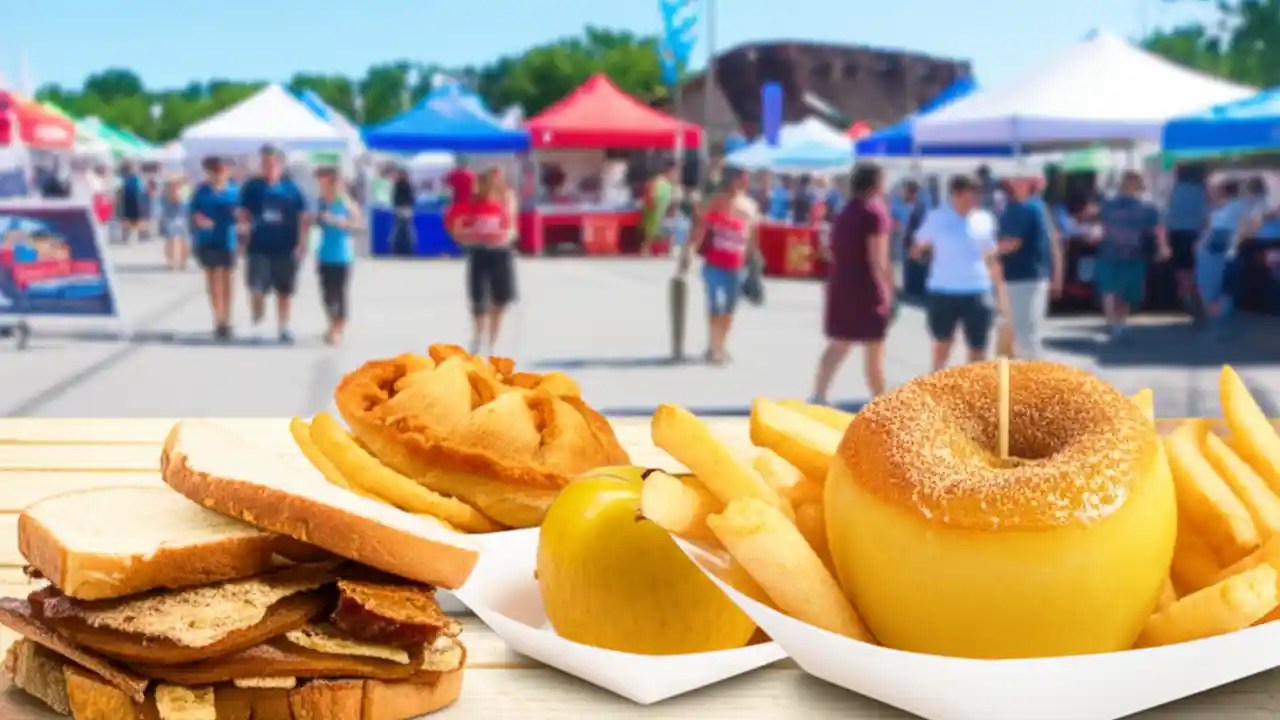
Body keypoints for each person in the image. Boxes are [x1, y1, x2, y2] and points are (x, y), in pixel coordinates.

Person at [811, 164, 893, 403]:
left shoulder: (845, 211)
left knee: (840, 342)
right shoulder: (875, 214)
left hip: (842, 283)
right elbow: (878, 258)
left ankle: (819, 393)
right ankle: (880, 399)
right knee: (875, 346)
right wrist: (888, 288)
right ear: (876, 184)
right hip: (866, 287)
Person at [912, 175, 1012, 371]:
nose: (975, 200)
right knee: (943, 344)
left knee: (978, 346)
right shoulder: (936, 217)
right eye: (970, 196)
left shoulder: (984, 219)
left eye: (977, 196)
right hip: (943, 290)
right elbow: (916, 249)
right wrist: (928, 254)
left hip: (977, 290)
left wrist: (1000, 291)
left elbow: (991, 257)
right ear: (955, 195)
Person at [680, 166, 759, 366]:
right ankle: (715, 348)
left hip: (736, 265)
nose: (740, 184)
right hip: (714, 263)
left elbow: (752, 237)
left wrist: (753, 265)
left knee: (730, 308)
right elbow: (699, 226)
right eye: (737, 179)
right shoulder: (715, 202)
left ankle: (719, 345)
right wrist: (687, 252)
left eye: (743, 180)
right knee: (715, 305)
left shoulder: (749, 206)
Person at [237, 145, 310, 344]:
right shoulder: (253, 187)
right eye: (264, 163)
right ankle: (258, 319)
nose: (268, 167)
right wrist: (242, 235)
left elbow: (303, 216)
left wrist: (303, 243)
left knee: (284, 291)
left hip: (285, 245)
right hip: (258, 245)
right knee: (257, 288)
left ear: (280, 164)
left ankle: (283, 326)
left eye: (271, 163)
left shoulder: (292, 188)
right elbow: (243, 213)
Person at [448, 167, 518, 355]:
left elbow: (512, 228)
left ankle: (493, 341)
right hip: (479, 251)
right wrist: (469, 236)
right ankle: (478, 338)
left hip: (500, 251)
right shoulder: (473, 203)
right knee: (478, 298)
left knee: (501, 299)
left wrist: (504, 236)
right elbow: (457, 228)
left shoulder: (507, 199)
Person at [1094, 171, 1169, 341]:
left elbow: (1157, 228)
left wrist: (1163, 246)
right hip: (1118, 253)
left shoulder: (1145, 206)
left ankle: (1118, 323)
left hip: (1126, 253)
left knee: (1121, 291)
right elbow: (1102, 224)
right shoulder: (1114, 204)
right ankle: (1114, 323)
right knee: (1114, 290)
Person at [997, 177, 1062, 359]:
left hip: (1024, 278)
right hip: (1029, 276)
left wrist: (986, 253)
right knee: (1026, 331)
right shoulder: (1037, 207)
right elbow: (1054, 241)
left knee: (1025, 335)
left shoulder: (1025, 208)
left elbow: (1012, 242)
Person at [190, 157, 239, 341]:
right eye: (214, 171)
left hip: (228, 240)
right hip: (208, 240)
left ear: (228, 171)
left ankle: (227, 319)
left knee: (228, 280)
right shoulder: (202, 191)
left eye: (221, 171)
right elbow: (194, 212)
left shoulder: (234, 191)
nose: (218, 174)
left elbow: (243, 213)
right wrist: (200, 221)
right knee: (213, 280)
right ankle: (218, 320)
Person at [313, 167, 362, 346]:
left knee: (340, 293)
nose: (322, 186)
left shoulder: (346, 202)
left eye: (325, 182)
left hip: (342, 255)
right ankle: (331, 324)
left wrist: (339, 221)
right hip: (324, 253)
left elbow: (357, 224)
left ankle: (337, 327)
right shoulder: (321, 202)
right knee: (326, 294)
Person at [1197, 178, 1251, 326]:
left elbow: (1209, 229)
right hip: (1223, 246)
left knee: (1216, 281)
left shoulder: (1227, 207)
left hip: (1220, 246)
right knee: (1221, 282)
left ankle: (1216, 314)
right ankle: (1218, 313)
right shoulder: (1223, 208)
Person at [1166, 164, 1210, 317]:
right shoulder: (1200, 191)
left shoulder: (1176, 190)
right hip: (1194, 232)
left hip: (1176, 232)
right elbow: (1205, 214)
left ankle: (1186, 295)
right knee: (1194, 266)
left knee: (1181, 267)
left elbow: (1169, 213)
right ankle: (1194, 295)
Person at [641, 160, 678, 255]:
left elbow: (671, 199)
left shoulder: (668, 184)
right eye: (674, 172)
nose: (675, 175)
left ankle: (663, 249)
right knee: (652, 230)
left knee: (662, 229)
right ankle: (646, 249)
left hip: (661, 211)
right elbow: (652, 195)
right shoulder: (658, 181)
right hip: (654, 210)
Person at [159, 176, 190, 272]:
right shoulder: (168, 193)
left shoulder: (184, 191)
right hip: (172, 218)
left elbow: (184, 203)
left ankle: (180, 262)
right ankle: (173, 262)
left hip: (182, 218)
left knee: (181, 241)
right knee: (173, 241)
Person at [389, 166, 415, 256]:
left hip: (405, 209)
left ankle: (406, 248)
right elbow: (396, 199)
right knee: (401, 229)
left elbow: (410, 198)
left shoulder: (406, 185)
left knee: (404, 230)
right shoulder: (399, 185)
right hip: (401, 209)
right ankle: (398, 248)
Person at [118, 162, 144, 244]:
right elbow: (139, 188)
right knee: (129, 218)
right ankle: (128, 236)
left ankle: (131, 236)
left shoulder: (130, 178)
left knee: (132, 218)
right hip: (129, 199)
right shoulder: (128, 178)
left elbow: (139, 188)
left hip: (131, 199)